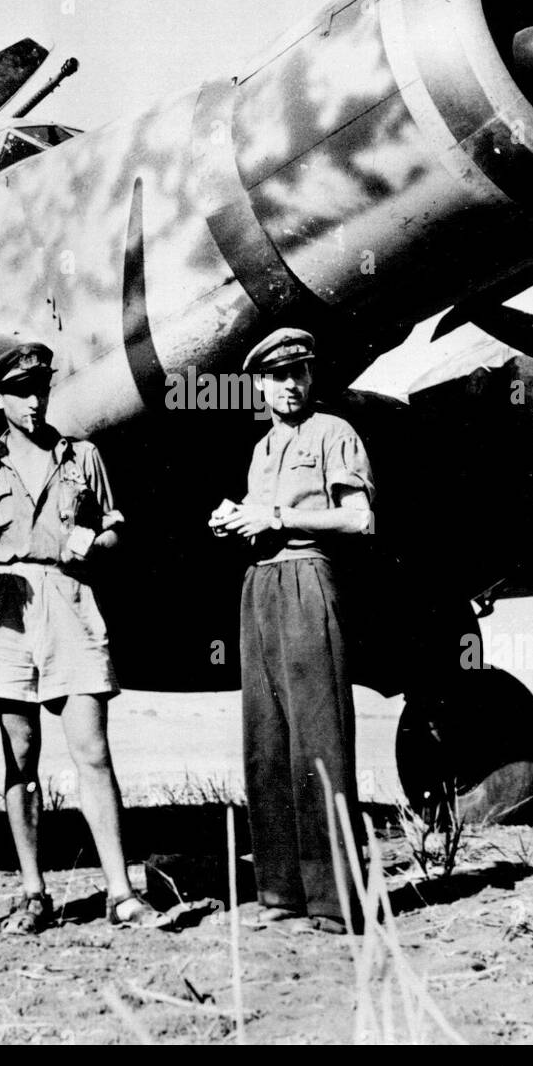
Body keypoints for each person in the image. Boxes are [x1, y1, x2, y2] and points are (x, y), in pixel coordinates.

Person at [0, 342, 163, 931]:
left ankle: (121, 892)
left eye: (42, 388)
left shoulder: (83, 455)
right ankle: (33, 893)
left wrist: (95, 545)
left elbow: (115, 530)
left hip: (72, 601)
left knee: (93, 752)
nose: (35, 400)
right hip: (3, 607)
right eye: (21, 391)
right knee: (20, 759)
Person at [209, 327, 374, 934]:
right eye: (278, 376)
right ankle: (279, 892)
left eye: (300, 372)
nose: (291, 385)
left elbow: (359, 518)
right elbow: (261, 521)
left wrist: (276, 515)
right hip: (261, 584)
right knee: (266, 741)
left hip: (308, 578)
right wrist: (236, 522)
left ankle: (334, 902)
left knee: (318, 738)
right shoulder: (261, 448)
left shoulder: (334, 433)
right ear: (259, 385)